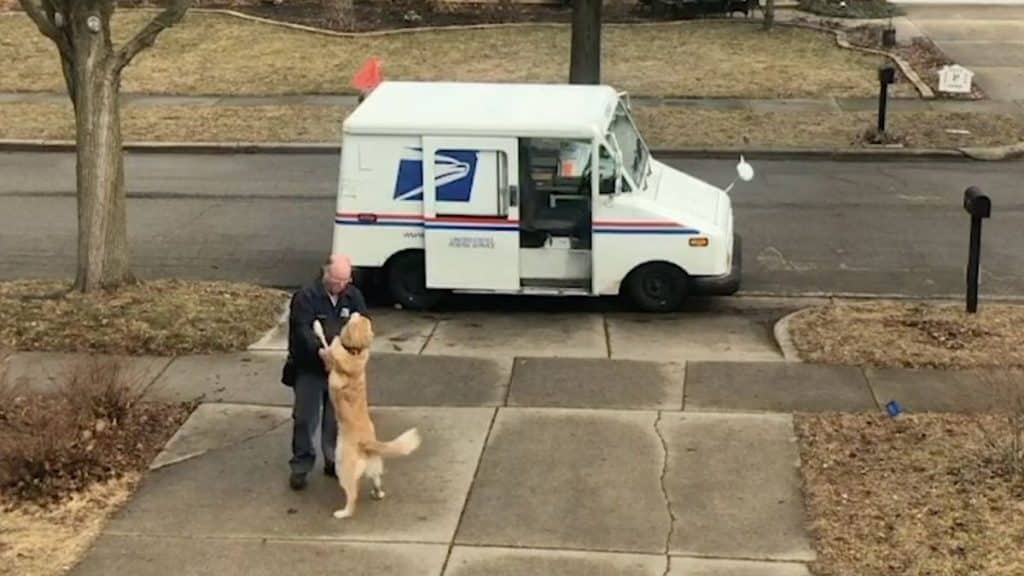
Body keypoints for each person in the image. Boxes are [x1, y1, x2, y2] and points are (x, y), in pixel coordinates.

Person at [284, 254, 369, 490]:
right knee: (304, 418)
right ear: (325, 273)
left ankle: (332, 459)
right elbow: (302, 330)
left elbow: (363, 326)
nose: (340, 286)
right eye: (336, 280)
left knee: (335, 419)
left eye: (345, 281)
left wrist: (349, 353)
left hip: (341, 371)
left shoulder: (353, 297)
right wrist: (319, 352)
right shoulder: (306, 297)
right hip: (310, 369)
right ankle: (301, 466)